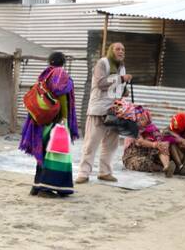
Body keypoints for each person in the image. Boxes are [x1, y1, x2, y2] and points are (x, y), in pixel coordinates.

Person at [22, 51, 78, 196]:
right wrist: (64, 119)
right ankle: (46, 188)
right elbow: (62, 96)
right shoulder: (61, 74)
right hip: (55, 120)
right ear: (63, 62)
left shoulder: (44, 75)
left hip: (42, 121)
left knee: (44, 152)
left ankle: (37, 186)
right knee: (55, 153)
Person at [77, 41, 130, 184]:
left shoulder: (122, 67)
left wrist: (124, 90)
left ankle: (105, 172)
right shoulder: (103, 63)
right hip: (99, 110)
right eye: (117, 49)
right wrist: (120, 79)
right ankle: (83, 173)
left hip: (114, 111)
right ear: (111, 51)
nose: (121, 52)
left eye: (123, 50)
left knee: (111, 145)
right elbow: (101, 83)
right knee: (91, 143)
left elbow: (117, 88)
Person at [120, 106, 172, 174]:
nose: (141, 121)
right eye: (139, 119)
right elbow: (140, 142)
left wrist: (161, 144)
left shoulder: (152, 128)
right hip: (133, 156)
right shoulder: (133, 129)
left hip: (147, 152)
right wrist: (154, 144)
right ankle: (163, 169)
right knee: (145, 163)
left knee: (162, 148)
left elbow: (159, 139)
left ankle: (167, 167)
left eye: (144, 118)